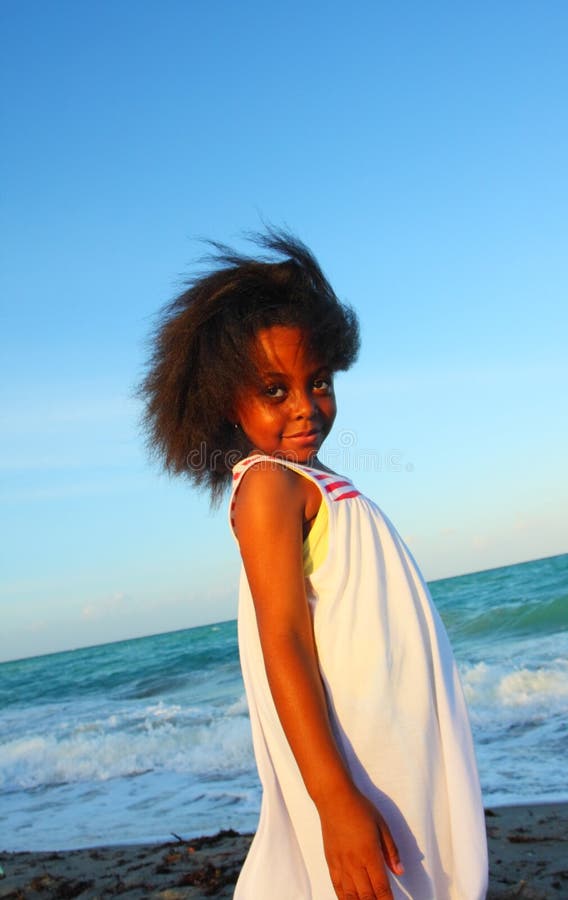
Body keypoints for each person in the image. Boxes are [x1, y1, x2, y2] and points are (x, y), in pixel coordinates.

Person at [140, 229, 488, 900]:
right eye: (274, 390)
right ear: (224, 402)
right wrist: (333, 798)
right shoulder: (269, 486)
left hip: (393, 735)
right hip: (358, 753)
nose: (305, 407)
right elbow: (284, 644)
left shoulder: (318, 481)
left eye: (318, 382)